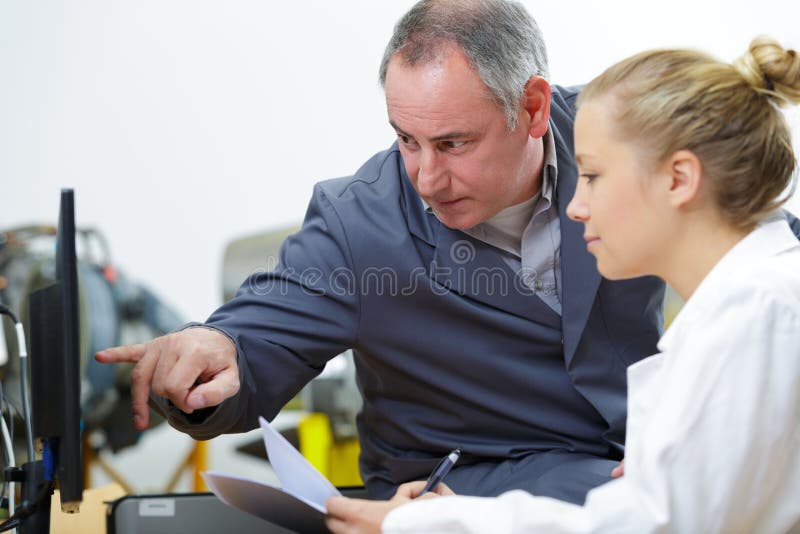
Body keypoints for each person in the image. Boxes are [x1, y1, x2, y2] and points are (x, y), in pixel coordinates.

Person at [93, 0, 783, 503]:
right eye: (405, 139)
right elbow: (257, 334)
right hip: (460, 493)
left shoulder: (618, 144)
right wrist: (217, 354)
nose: (425, 177)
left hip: (646, 465)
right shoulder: (358, 223)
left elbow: (746, 242)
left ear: (534, 108)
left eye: (454, 143)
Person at [324, 36, 800, 533]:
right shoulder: (754, 298)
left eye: (592, 175)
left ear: (679, 179)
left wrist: (422, 525)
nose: (574, 205)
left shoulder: (754, 311)